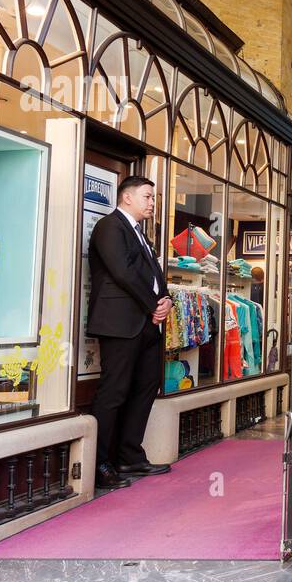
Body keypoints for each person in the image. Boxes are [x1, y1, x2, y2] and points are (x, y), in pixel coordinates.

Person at [86, 175, 173, 491]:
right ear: (126, 198)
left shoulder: (141, 235)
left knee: (145, 388)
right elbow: (122, 272)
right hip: (120, 324)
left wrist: (167, 301)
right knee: (114, 392)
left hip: (147, 324)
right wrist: (154, 304)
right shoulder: (110, 227)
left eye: (153, 197)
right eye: (148, 196)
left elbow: (153, 275)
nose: (152, 203)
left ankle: (129, 455)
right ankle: (100, 465)